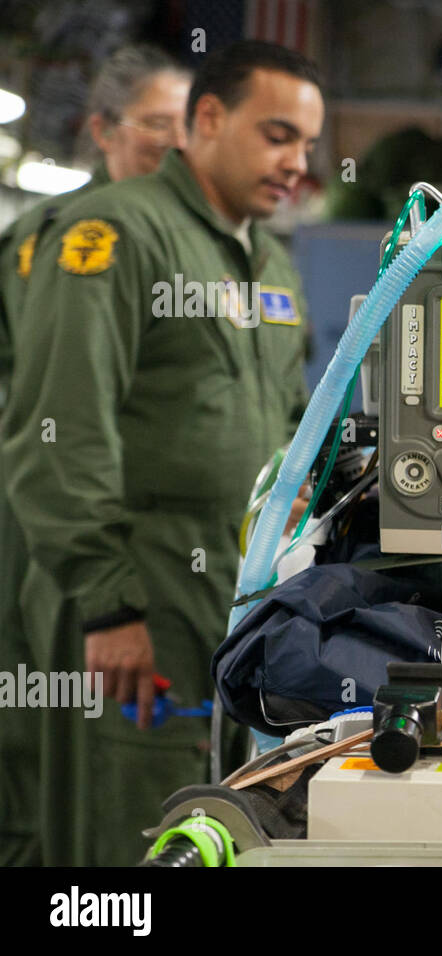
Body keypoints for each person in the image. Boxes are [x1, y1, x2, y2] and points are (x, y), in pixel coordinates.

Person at [0, 39, 323, 866]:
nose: (297, 163)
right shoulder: (113, 233)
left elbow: (285, 426)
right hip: (137, 594)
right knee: (127, 826)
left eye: (309, 146)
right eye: (278, 134)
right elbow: (60, 431)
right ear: (206, 119)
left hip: (231, 597)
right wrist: (111, 606)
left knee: (212, 814)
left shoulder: (268, 258)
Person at [0, 44, 190, 867]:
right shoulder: (72, 237)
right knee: (44, 760)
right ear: (102, 130)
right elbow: (59, 417)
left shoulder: (188, 239)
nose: (178, 146)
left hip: (128, 539)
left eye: (193, 128)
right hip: (43, 528)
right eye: (159, 127)